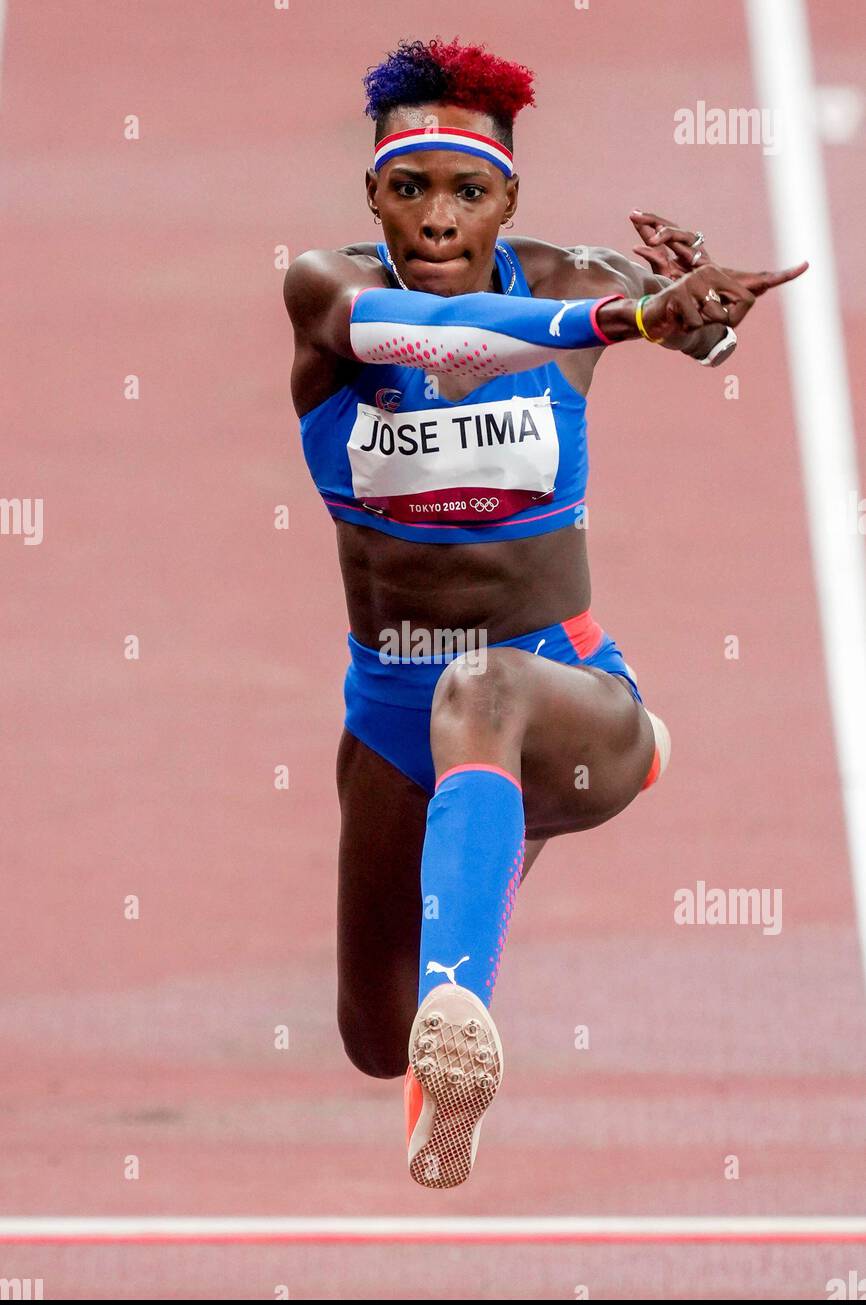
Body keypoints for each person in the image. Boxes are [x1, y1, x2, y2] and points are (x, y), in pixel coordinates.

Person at [282, 36, 807, 1189]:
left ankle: (461, 1010)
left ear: (506, 198)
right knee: (369, 1043)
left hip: (563, 687)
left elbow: (706, 331)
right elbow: (449, 345)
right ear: (372, 194)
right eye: (408, 188)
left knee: (483, 688)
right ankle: (455, 940)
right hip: (386, 707)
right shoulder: (326, 293)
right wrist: (625, 321)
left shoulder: (576, 279)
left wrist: (690, 297)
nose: (435, 219)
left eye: (466, 193)